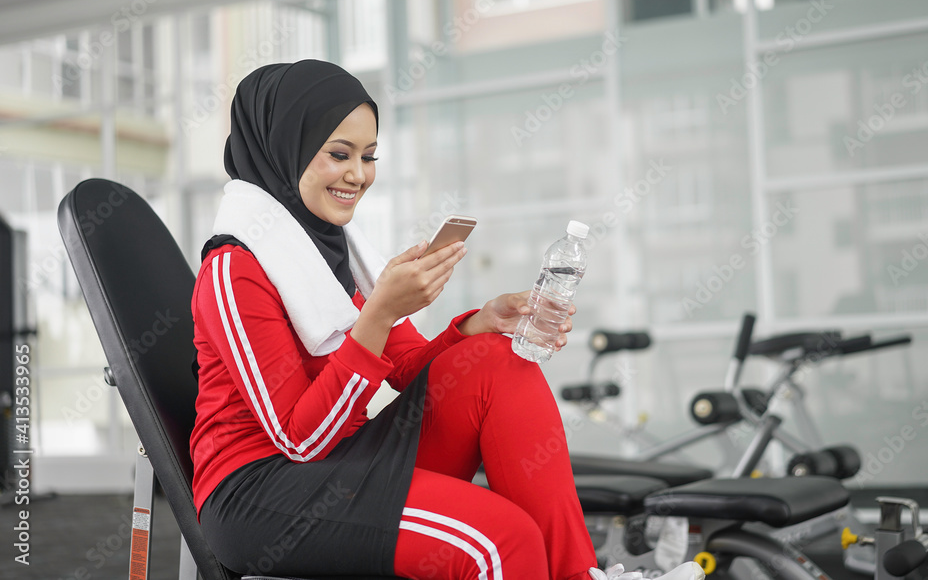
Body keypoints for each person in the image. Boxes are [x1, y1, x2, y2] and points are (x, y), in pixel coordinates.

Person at [189, 60, 703, 580]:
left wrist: (479, 324)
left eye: (369, 157)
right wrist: (381, 312)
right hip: (259, 494)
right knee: (501, 540)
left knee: (499, 359)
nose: (358, 174)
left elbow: (409, 367)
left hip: (342, 462)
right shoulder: (234, 269)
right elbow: (301, 441)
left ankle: (578, 575)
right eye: (339, 155)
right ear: (284, 148)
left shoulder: (333, 253)